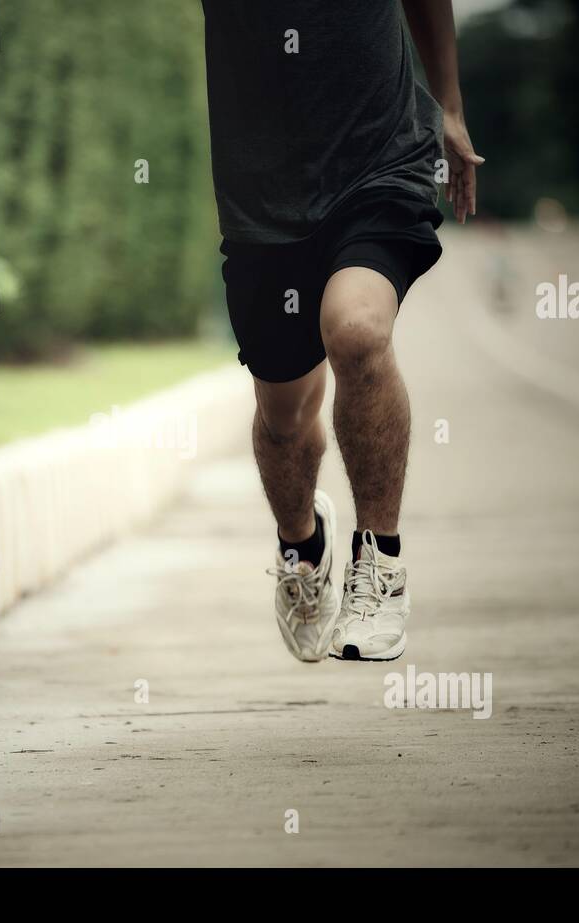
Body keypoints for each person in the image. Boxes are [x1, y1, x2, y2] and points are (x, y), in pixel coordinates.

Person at [200, 0, 482, 662]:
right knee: (285, 416)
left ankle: (379, 565)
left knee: (355, 330)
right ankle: (301, 545)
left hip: (380, 159)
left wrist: (448, 105)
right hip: (262, 195)